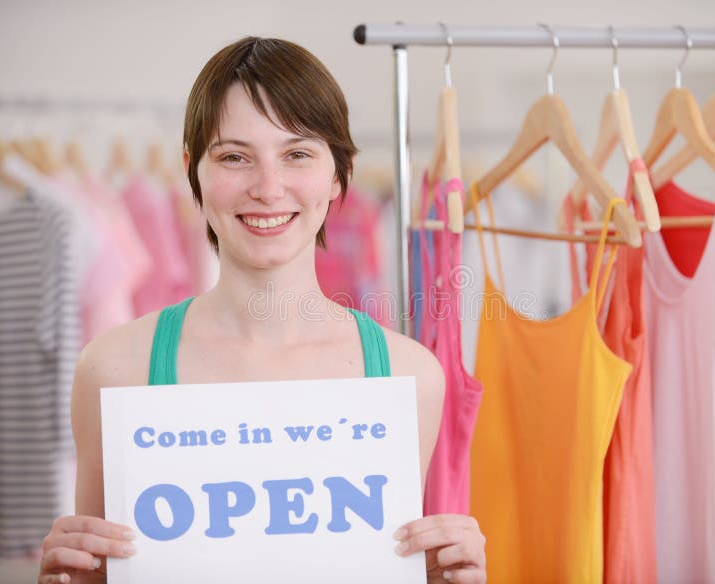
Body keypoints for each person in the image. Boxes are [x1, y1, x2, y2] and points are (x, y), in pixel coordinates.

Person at [37, 37, 486, 584]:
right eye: (234, 156)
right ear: (193, 172)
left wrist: (446, 576)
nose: (268, 188)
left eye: (297, 154)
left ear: (339, 174)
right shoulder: (112, 369)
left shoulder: (409, 377)